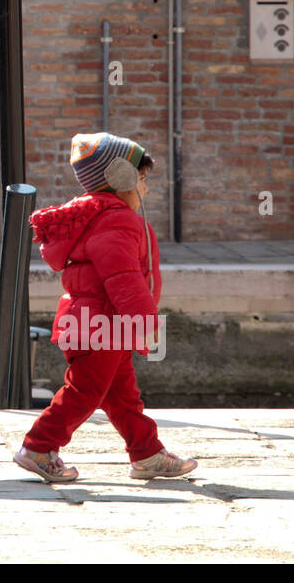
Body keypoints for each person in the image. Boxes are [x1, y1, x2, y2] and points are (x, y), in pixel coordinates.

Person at [13, 133, 197, 483]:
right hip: (103, 325)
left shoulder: (93, 216)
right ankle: (39, 445)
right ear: (122, 178)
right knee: (85, 392)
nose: (145, 188)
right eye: (142, 178)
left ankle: (147, 453)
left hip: (98, 324)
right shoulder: (116, 220)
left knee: (122, 395)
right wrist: (146, 319)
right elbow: (122, 275)